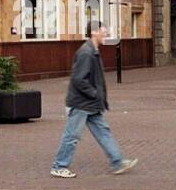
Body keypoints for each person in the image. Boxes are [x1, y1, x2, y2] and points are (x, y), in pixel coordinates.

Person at [51, 22, 136, 178]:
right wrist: (95, 93)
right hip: (80, 104)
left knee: (103, 132)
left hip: (90, 104)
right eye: (104, 32)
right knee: (71, 136)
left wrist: (96, 97)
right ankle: (59, 166)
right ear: (94, 32)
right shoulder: (86, 53)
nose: (106, 35)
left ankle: (117, 161)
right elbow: (78, 79)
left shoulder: (93, 51)